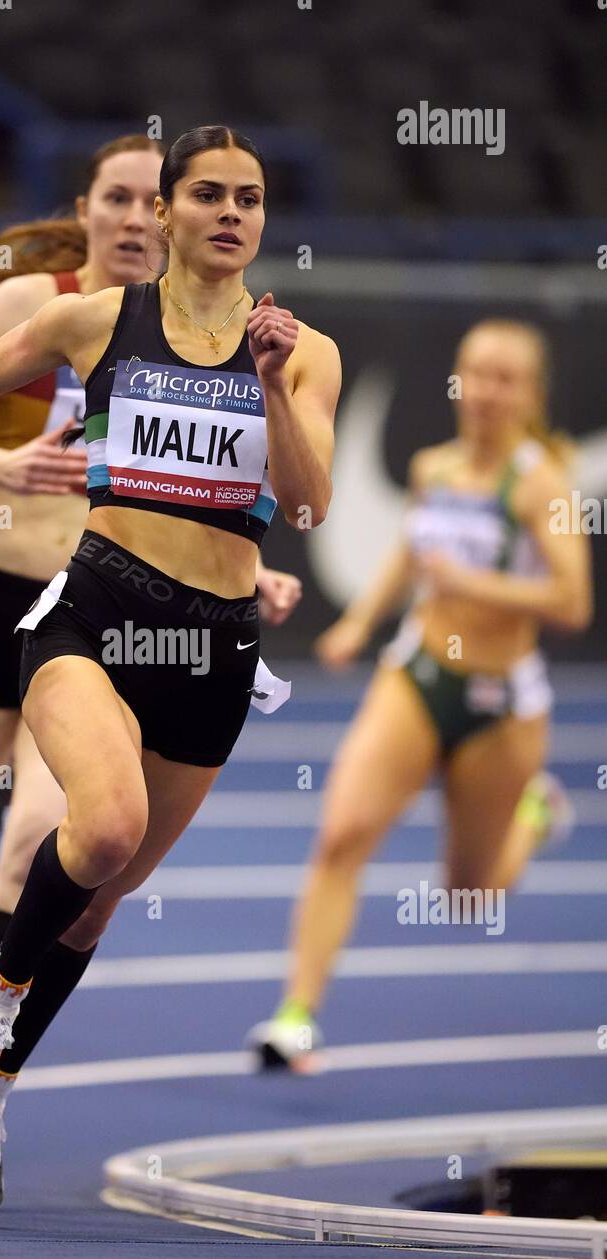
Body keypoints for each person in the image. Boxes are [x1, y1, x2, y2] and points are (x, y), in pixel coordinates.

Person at [0, 124, 340, 1222]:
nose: (230, 213)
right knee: (103, 828)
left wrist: (269, 387)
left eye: (250, 199)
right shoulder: (95, 320)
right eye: (207, 194)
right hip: (95, 611)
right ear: (165, 212)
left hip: (212, 648)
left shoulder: (300, 348)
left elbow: (309, 507)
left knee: (92, 904)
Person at [246, 319, 592, 1070]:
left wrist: (475, 584)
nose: (487, 392)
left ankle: (532, 815)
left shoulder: (539, 483)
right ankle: (295, 1016)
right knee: (341, 837)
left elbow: (572, 603)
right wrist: (360, 623)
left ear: (530, 394)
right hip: (419, 673)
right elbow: (410, 553)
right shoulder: (435, 469)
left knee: (471, 899)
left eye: (506, 378)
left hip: (501, 703)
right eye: (476, 374)